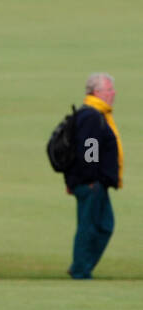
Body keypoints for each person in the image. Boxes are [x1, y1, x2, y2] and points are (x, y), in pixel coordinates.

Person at [66, 73, 121, 279]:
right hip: (91, 183)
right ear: (97, 92)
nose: (113, 93)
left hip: (94, 182)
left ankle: (82, 266)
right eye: (109, 89)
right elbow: (90, 150)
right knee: (89, 228)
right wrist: (90, 180)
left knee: (104, 225)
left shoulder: (95, 114)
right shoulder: (92, 116)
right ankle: (80, 270)